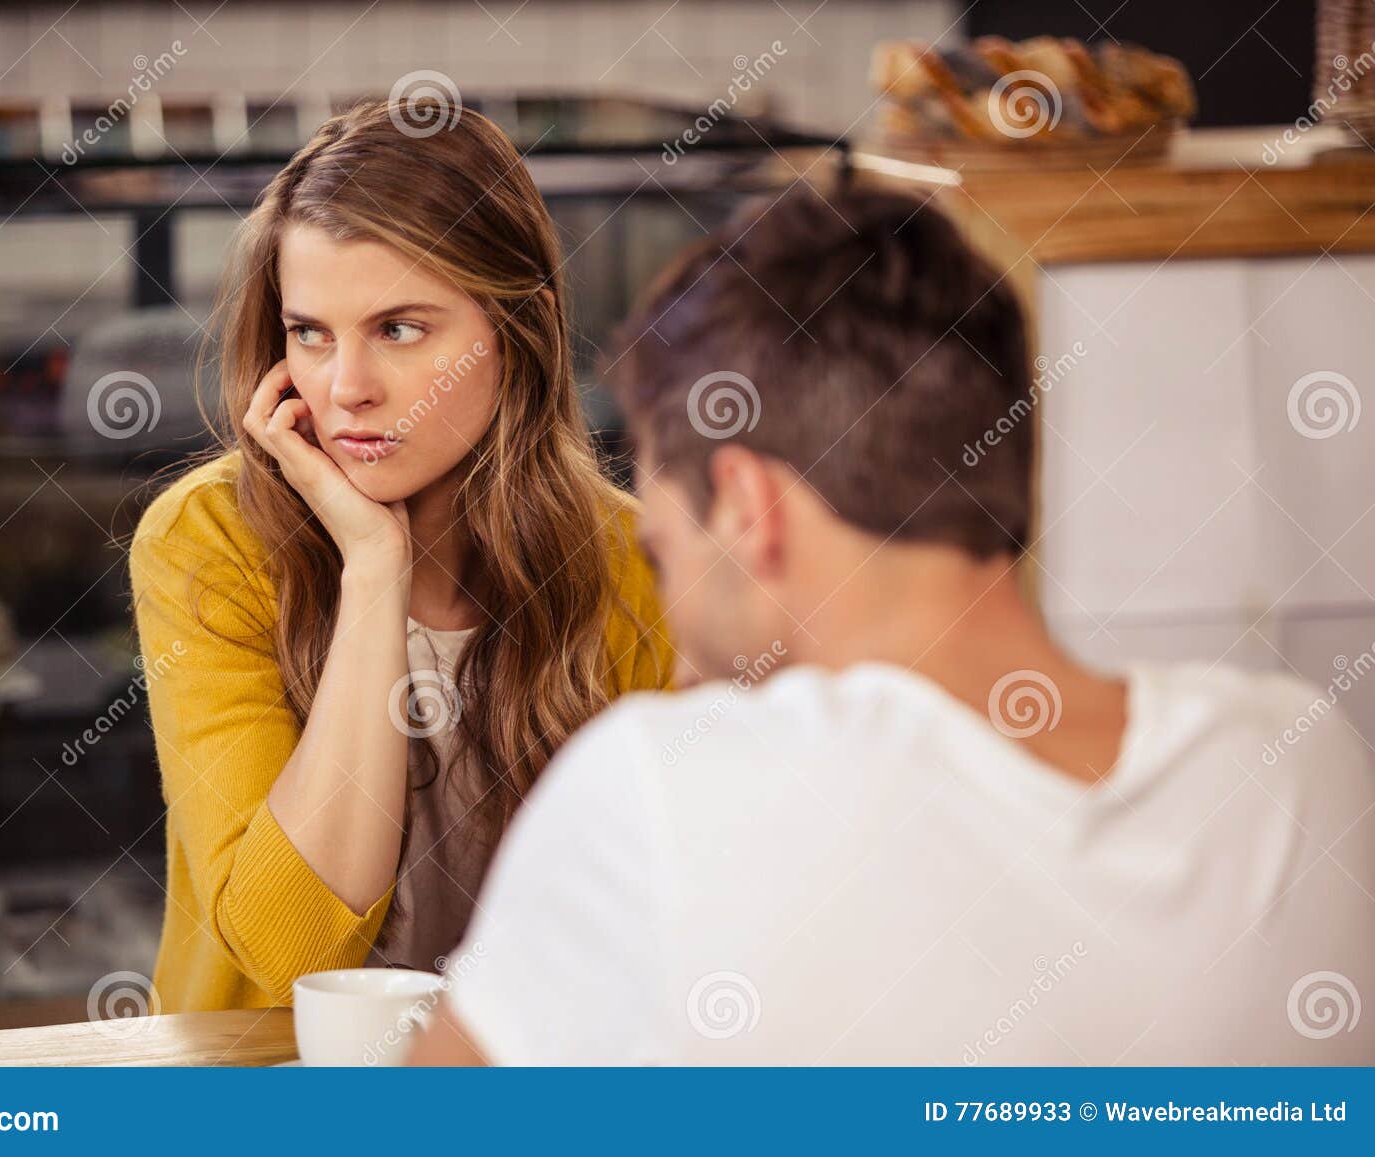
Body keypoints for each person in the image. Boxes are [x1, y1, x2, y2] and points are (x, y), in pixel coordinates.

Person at [407, 182, 1375, 1065]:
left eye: (662, 551)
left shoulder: (651, 790)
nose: (674, 617)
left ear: (747, 506)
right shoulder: (1299, 766)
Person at [128, 99, 672, 1013]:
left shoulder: (629, 561)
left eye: (399, 329)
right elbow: (287, 945)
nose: (347, 390)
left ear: (518, 330)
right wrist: (374, 567)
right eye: (310, 332)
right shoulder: (204, 543)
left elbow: (659, 931)